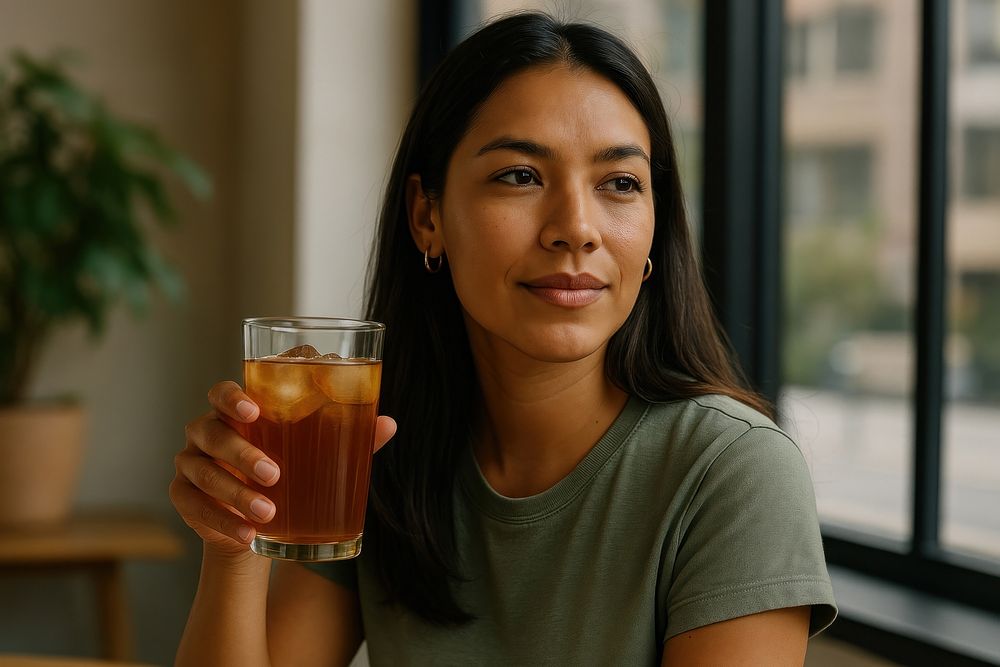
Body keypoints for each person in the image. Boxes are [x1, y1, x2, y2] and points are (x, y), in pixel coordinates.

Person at [171, 12, 837, 666]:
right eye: (519, 175)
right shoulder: (376, 454)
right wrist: (235, 543)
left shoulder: (735, 475)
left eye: (620, 183)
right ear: (427, 215)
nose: (576, 228)